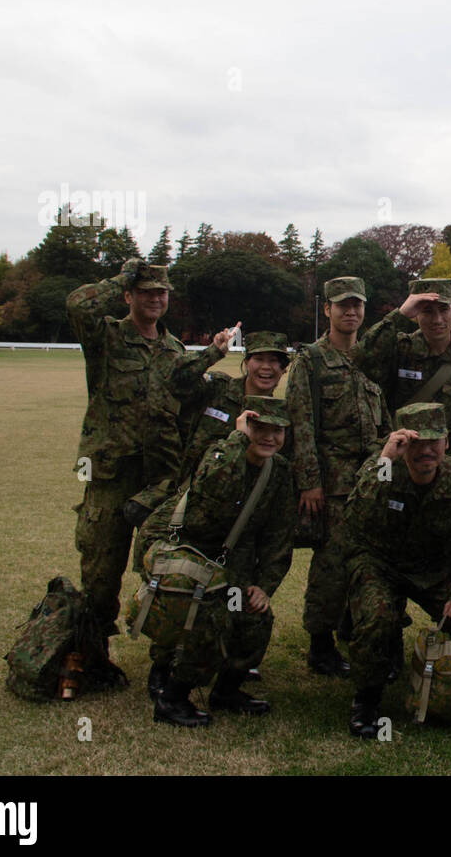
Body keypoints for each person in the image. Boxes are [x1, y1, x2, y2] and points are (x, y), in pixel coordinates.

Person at [66, 257, 234, 685]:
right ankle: (91, 659)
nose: (156, 299)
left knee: (166, 567)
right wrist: (124, 273)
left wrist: (221, 369)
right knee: (101, 573)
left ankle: (168, 657)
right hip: (110, 473)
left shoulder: (174, 350)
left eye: (161, 292)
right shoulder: (106, 336)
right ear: (128, 296)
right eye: (145, 292)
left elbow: (191, 398)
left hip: (158, 478)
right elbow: (78, 304)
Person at [137, 397, 295, 727]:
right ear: (244, 426)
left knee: (254, 618)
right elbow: (212, 487)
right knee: (208, 613)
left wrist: (263, 587)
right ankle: (172, 695)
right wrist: (237, 438)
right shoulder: (222, 454)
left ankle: (226, 690)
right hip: (182, 546)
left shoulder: (279, 472)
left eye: (276, 431)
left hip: (226, 558)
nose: (268, 438)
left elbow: (278, 538)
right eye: (259, 429)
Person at [338, 403, 451, 738]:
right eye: (415, 443)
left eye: (434, 442)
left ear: (447, 442)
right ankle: (366, 700)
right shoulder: (382, 470)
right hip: (379, 563)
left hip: (433, 571)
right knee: (379, 618)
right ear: (400, 444)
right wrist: (384, 458)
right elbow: (354, 518)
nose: (425, 451)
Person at [284, 276, 390, 678]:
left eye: (357, 305)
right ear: (326, 308)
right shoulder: (310, 360)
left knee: (368, 560)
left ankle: (353, 623)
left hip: (370, 482)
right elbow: (301, 423)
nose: (351, 312)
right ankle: (320, 642)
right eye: (342, 305)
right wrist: (310, 482)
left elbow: (384, 419)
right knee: (330, 566)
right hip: (331, 486)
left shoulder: (371, 360)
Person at [352, 277, 451, 462]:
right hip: (402, 457)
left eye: (444, 309)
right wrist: (399, 315)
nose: (437, 319)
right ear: (415, 315)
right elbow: (359, 358)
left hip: (448, 464)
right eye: (427, 311)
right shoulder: (400, 349)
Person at [171, 330, 290, 484]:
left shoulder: (279, 416)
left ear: (283, 369)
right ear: (246, 363)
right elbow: (175, 383)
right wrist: (213, 352)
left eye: (273, 360)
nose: (266, 367)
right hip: (190, 490)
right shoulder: (217, 389)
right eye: (259, 359)